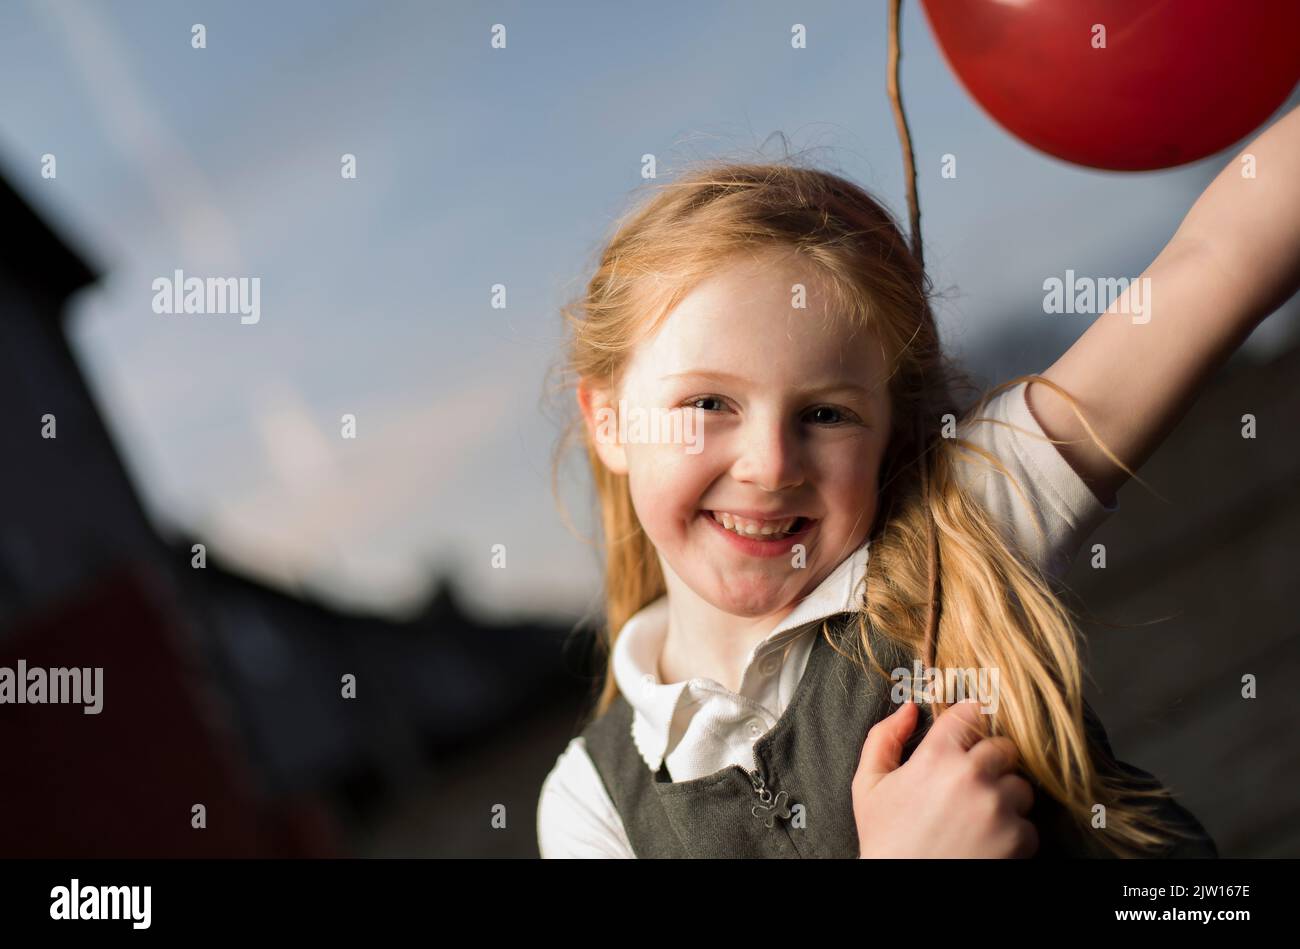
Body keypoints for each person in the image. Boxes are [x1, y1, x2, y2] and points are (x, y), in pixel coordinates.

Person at [537, 103, 1300, 857]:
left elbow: (1220, 257)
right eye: (709, 402)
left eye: (827, 413)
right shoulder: (592, 807)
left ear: (892, 429)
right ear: (608, 422)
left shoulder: (959, 531)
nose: (770, 464)